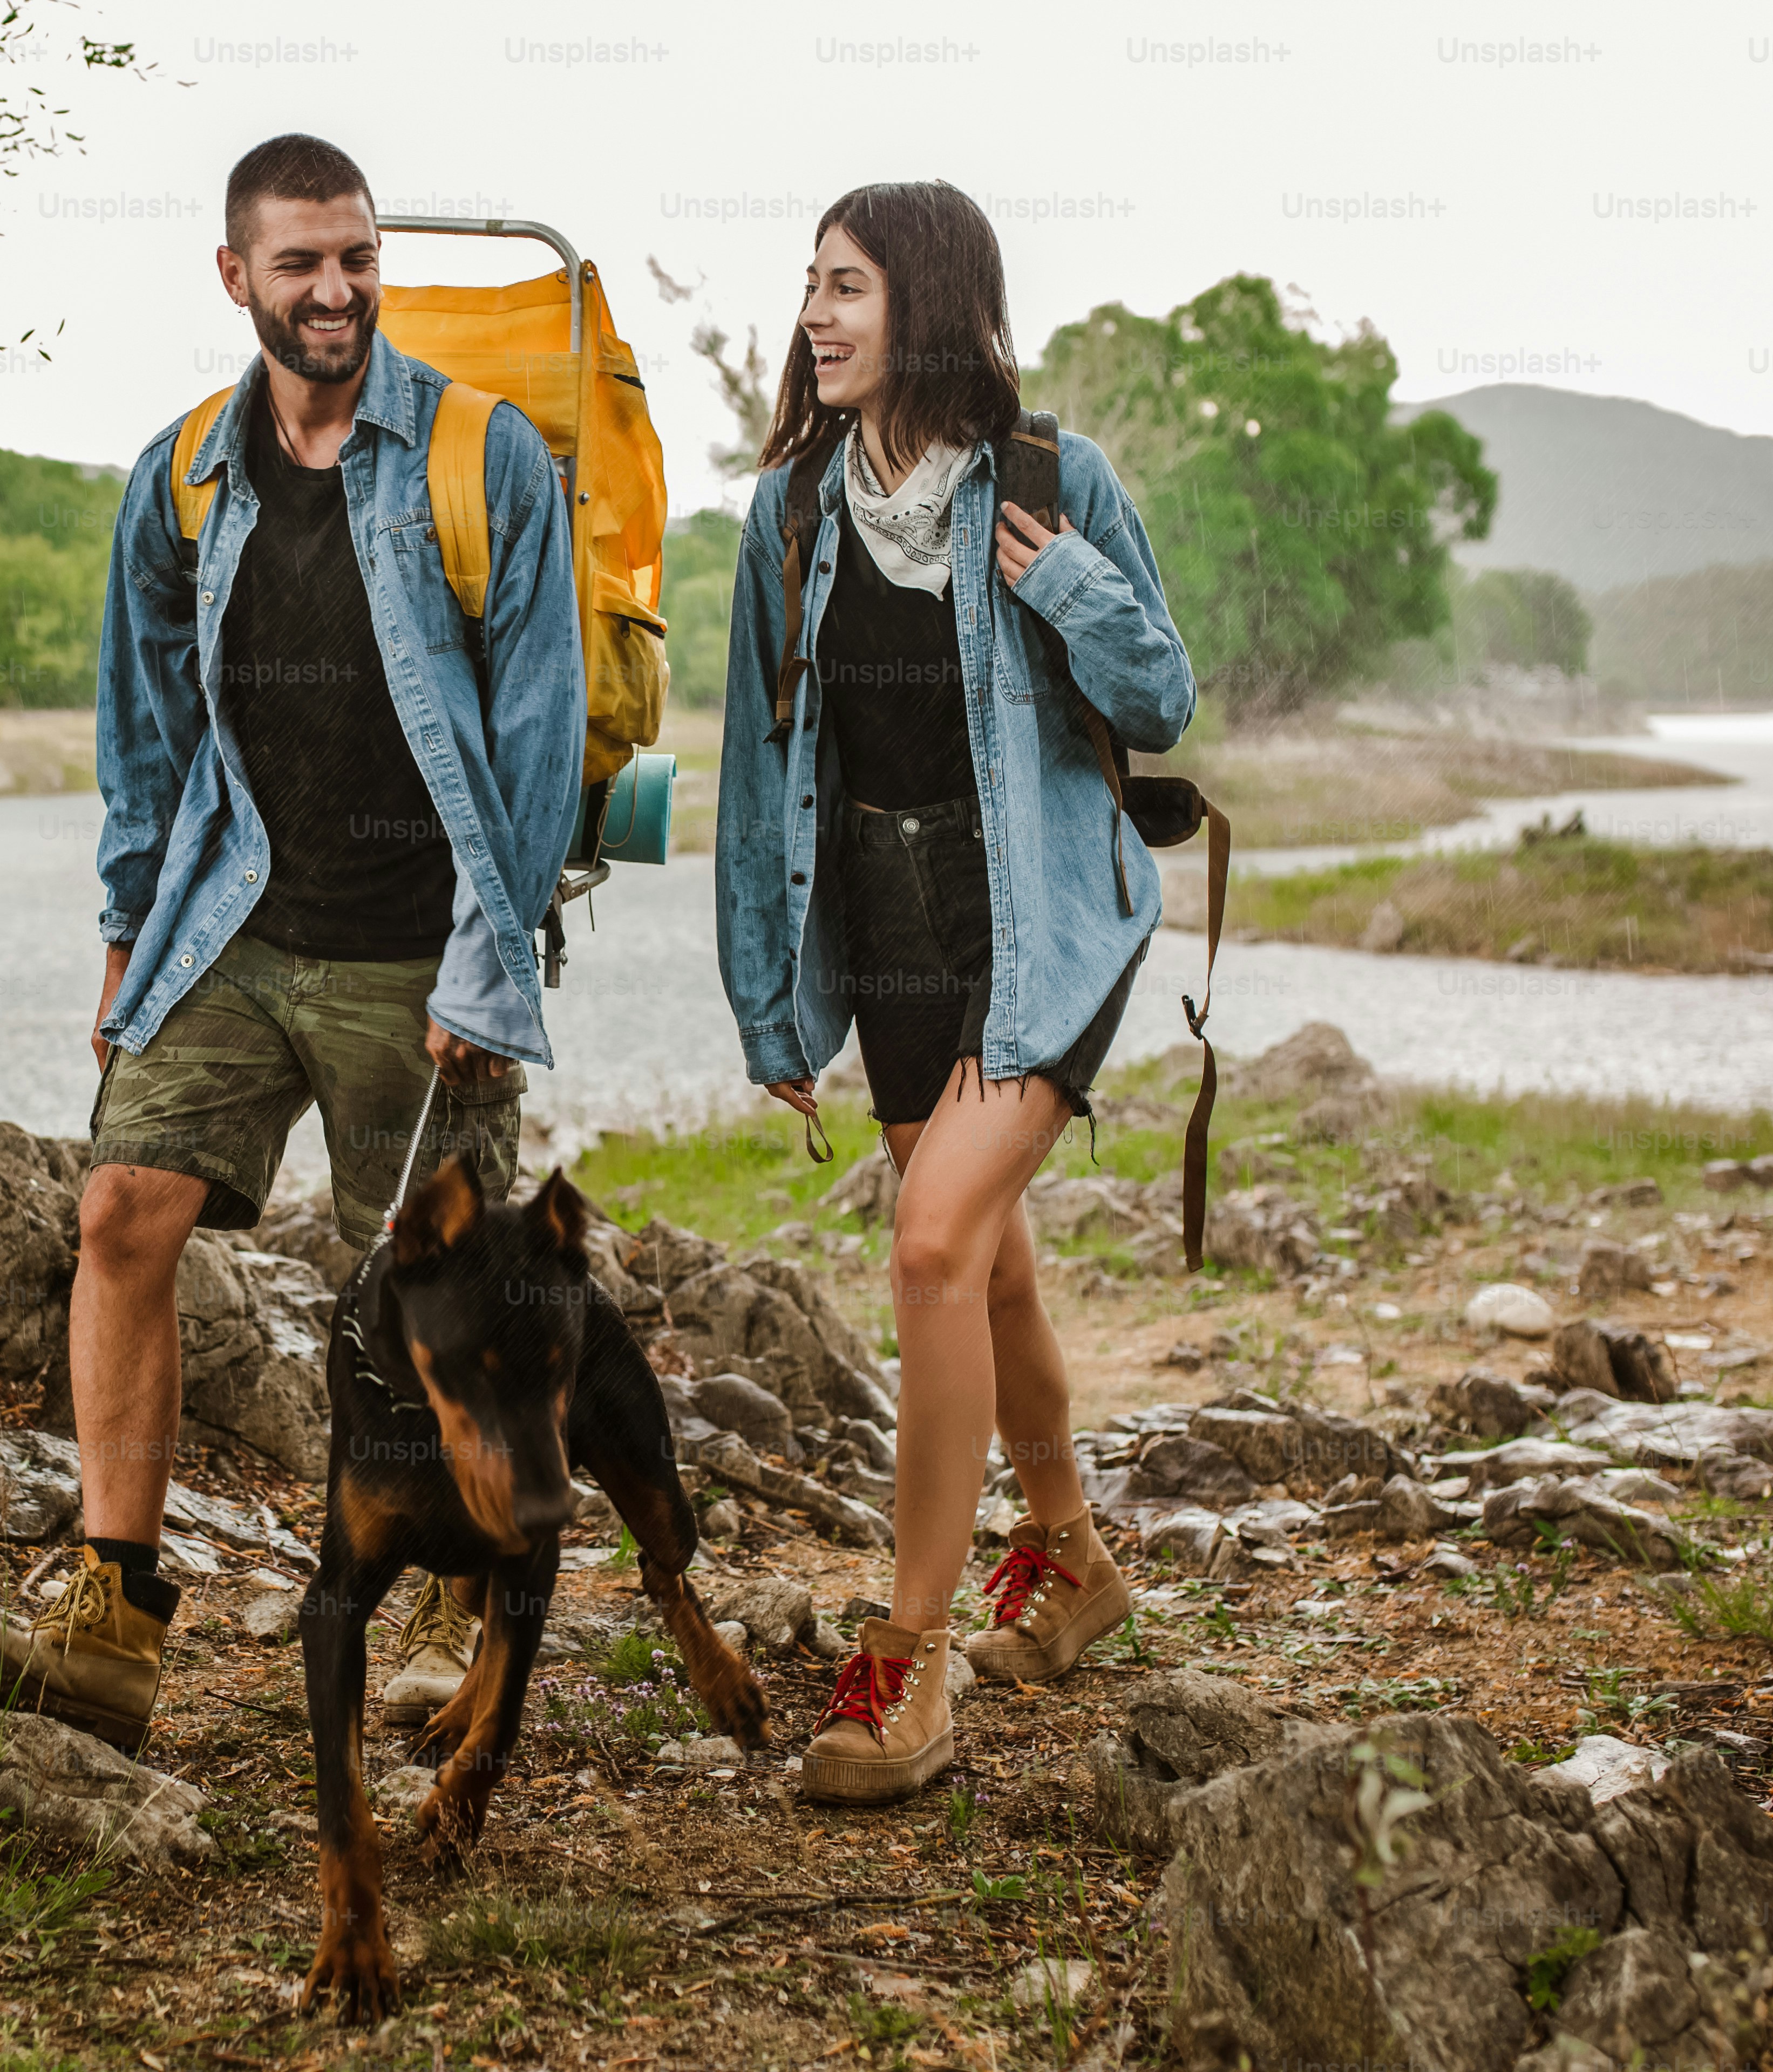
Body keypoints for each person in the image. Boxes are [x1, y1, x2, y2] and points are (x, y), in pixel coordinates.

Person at [0, 134, 587, 1750]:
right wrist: (121, 943)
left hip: (415, 959)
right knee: (117, 1217)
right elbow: (145, 734)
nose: (336, 291)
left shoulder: (481, 456)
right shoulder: (184, 478)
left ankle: (457, 1613)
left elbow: (537, 733)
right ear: (236, 276)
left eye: (357, 258)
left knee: (437, 1302)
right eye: (300, 263)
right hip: (231, 926)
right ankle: (110, 1617)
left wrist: (486, 973)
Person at [712, 182, 1197, 1804]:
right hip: (889, 924)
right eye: (809, 289)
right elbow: (754, 776)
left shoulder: (1056, 483)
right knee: (991, 1280)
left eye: (845, 287)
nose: (817, 318)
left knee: (927, 1247)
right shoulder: (788, 515)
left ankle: (906, 1664)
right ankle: (1072, 1567)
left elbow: (1165, 695)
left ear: (924, 301)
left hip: (1044, 920)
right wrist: (774, 1006)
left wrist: (1067, 587)